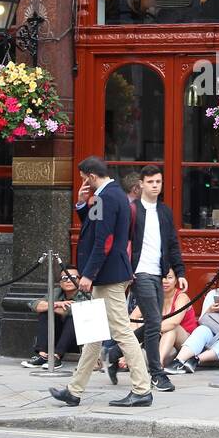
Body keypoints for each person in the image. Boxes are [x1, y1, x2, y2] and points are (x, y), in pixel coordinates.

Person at [50, 156, 152, 407]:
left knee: (122, 332)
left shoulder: (107, 198)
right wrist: (82, 204)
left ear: (92, 176)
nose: (84, 182)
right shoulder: (108, 195)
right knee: (93, 334)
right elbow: (93, 226)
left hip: (108, 276)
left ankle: (142, 390)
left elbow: (102, 241)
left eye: (84, 178)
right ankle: (74, 390)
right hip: (107, 274)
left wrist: (88, 275)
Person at [123, 163, 187, 392]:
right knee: (153, 322)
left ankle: (112, 353)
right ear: (141, 185)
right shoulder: (131, 210)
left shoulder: (164, 211)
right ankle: (157, 373)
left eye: (158, 182)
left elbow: (172, 242)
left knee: (152, 322)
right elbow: (123, 243)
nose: (155, 186)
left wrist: (179, 272)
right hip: (140, 273)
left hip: (159, 272)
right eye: (150, 182)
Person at [166, 267, 219, 373]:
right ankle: (178, 361)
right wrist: (210, 309)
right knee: (202, 329)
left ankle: (196, 360)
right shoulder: (212, 294)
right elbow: (202, 320)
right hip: (213, 337)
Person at [21, 265, 82, 369]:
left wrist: (50, 306)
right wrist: (56, 304)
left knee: (74, 316)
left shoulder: (85, 293)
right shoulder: (57, 292)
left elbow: (75, 311)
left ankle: (56, 357)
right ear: (60, 282)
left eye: (73, 277)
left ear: (80, 280)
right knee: (45, 313)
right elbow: (34, 304)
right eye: (65, 278)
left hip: (77, 340)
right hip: (57, 337)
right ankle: (43, 356)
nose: (68, 280)